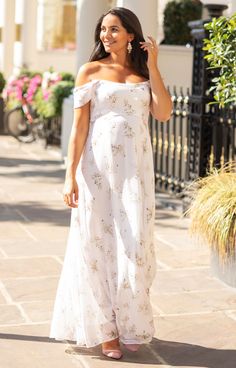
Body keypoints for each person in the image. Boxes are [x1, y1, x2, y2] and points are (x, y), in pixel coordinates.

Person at [50, 6, 172, 360]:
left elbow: (163, 113)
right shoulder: (90, 71)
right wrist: (69, 175)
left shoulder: (142, 74)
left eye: (115, 29)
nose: (107, 35)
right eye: (104, 30)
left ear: (131, 34)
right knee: (98, 245)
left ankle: (129, 322)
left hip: (136, 175)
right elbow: (79, 129)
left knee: (134, 247)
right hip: (97, 172)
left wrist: (153, 66)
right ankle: (106, 332)